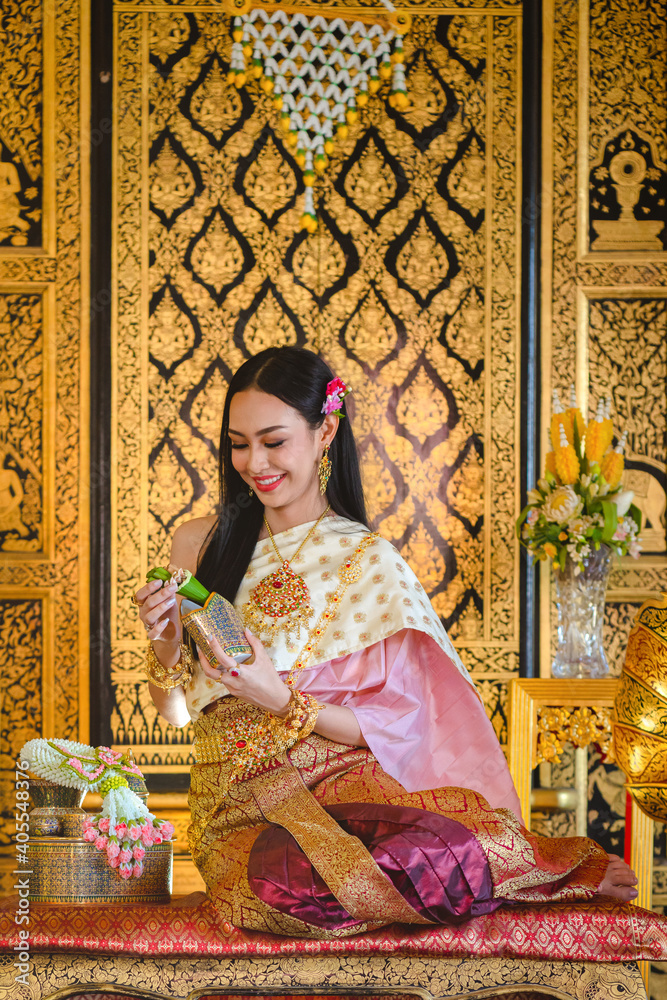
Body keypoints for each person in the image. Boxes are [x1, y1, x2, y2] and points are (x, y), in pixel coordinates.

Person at [133, 346, 638, 939]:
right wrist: (166, 641)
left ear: (326, 430)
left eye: (273, 442)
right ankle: (497, 883)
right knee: (289, 888)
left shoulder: (367, 561)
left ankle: (548, 873)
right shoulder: (201, 542)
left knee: (443, 848)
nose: (254, 462)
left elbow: (391, 723)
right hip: (237, 800)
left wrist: (279, 697)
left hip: (342, 779)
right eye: (239, 443)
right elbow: (173, 711)